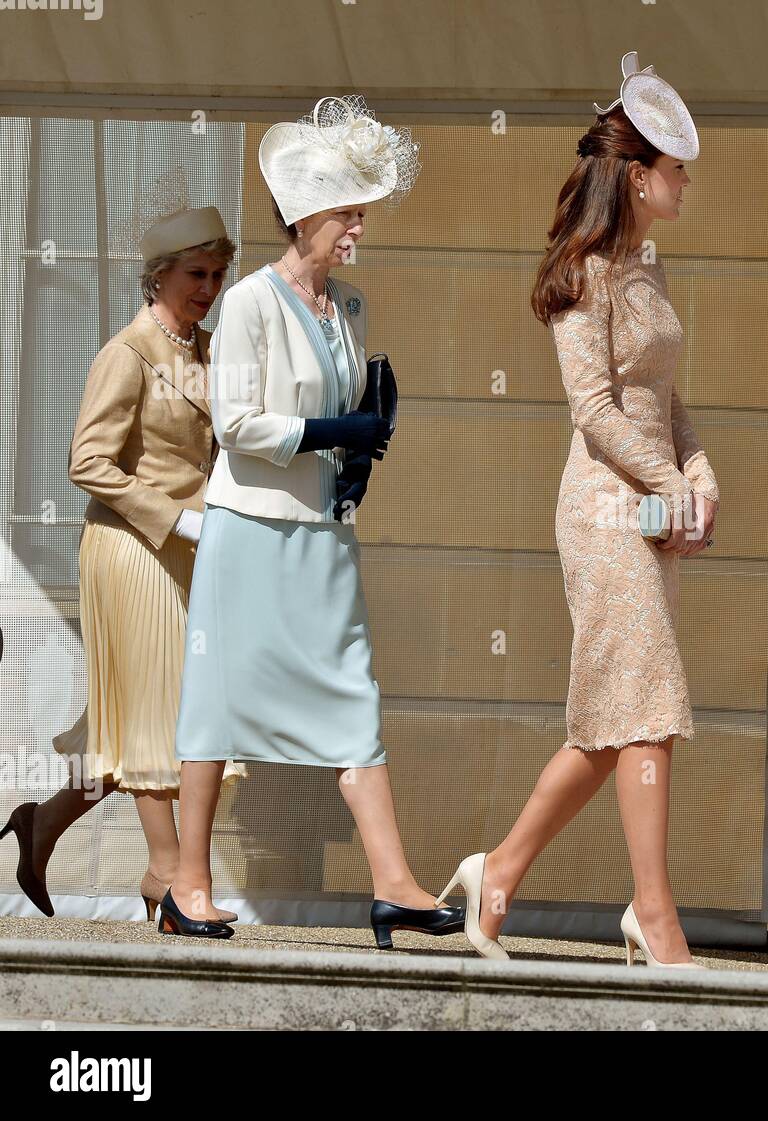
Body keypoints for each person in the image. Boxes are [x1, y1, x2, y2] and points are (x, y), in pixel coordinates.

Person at [436, 52, 720, 968]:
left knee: (615, 719)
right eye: (676, 169)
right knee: (645, 711)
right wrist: (670, 485)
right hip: (602, 511)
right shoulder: (584, 270)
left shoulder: (648, 265)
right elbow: (594, 411)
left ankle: (500, 872)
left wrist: (698, 467)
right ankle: (654, 913)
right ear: (640, 177)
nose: (685, 182)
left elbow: (663, 398)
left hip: (650, 509)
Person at [164, 95, 464, 946]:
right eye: (346, 213)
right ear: (302, 215)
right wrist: (333, 432)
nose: (357, 228)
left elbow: (347, 413)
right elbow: (235, 425)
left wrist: (359, 456)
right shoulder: (253, 302)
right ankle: (187, 886)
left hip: (324, 533)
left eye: (361, 213)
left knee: (353, 696)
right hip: (248, 530)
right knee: (215, 703)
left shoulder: (353, 306)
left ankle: (395, 883)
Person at [1, 204, 243, 923]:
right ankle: (165, 873)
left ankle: (42, 824)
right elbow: (88, 461)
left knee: (140, 712)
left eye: (218, 274)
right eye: (196, 274)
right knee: (155, 712)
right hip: (130, 549)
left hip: (192, 550)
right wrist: (178, 518)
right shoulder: (127, 351)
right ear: (158, 275)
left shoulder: (206, 351)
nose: (209, 287)